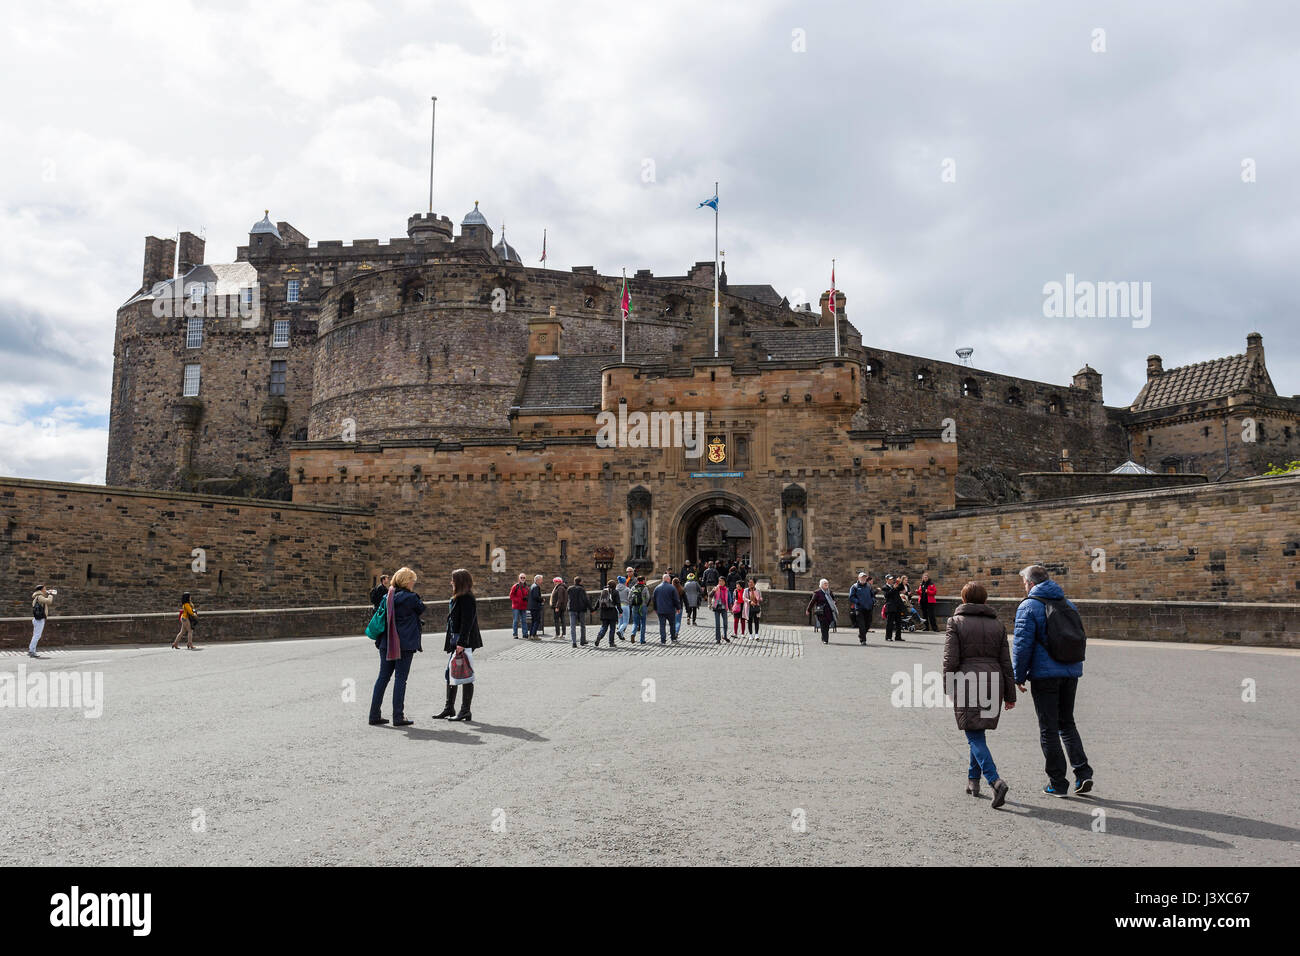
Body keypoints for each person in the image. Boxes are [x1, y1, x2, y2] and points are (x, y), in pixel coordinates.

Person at [1014, 565, 1094, 798]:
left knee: (1048, 728)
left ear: (1030, 583)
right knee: (1067, 723)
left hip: (1045, 674)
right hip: (1070, 671)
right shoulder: (1068, 603)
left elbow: (1022, 645)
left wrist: (1018, 676)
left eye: (1024, 583)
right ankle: (1083, 772)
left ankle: (1058, 782)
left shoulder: (1028, 605)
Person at [943, 581, 1016, 809]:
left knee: (973, 734)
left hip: (967, 681)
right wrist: (1010, 694)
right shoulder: (997, 625)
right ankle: (973, 781)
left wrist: (948, 686)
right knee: (977, 732)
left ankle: (994, 781)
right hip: (994, 681)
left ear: (963, 600)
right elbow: (1006, 662)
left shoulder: (955, 622)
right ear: (985, 600)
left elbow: (950, 660)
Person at [369, 566, 424, 727]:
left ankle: (374, 714)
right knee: (401, 678)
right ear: (406, 581)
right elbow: (421, 609)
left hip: (386, 642)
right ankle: (398, 716)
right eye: (412, 581)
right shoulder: (411, 598)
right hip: (405, 643)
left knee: (383, 677)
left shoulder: (388, 596)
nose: (414, 583)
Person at [434, 568, 483, 722]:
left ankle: (465, 710)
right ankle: (450, 708)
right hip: (457, 640)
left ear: (459, 581)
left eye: (453, 579)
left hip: (464, 641)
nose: (451, 582)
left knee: (464, 672)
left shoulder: (467, 597)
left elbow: (468, 621)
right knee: (452, 672)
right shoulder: (458, 597)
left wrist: (462, 642)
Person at [653, 572, 681, 644]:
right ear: (668, 579)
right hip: (670, 610)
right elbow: (676, 599)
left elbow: (654, 599)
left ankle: (663, 640)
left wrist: (655, 609)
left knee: (662, 625)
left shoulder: (657, 588)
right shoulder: (672, 588)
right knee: (672, 624)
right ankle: (673, 638)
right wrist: (678, 608)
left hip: (660, 610)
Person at [806, 579, 835, 644]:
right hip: (821, 612)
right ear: (821, 585)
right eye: (825, 584)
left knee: (827, 626)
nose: (826, 585)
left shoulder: (830, 592)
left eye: (827, 584)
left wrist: (834, 603)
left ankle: (823, 637)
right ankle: (825, 639)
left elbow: (833, 600)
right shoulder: (817, 592)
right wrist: (808, 610)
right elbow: (812, 602)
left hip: (829, 612)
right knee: (823, 625)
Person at [848, 572, 875, 644]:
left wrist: (873, 601)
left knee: (868, 624)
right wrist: (858, 601)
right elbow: (851, 597)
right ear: (859, 578)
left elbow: (872, 595)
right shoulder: (854, 586)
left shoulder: (869, 586)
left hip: (868, 608)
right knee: (862, 625)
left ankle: (861, 635)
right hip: (859, 608)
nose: (863, 579)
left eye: (864, 577)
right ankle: (863, 640)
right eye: (862, 577)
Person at [29, 584, 55, 658]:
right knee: (37, 636)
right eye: (44, 589)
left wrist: (47, 593)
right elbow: (49, 601)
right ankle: (32, 651)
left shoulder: (37, 597)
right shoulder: (39, 597)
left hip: (36, 619)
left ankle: (31, 650)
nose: (45, 590)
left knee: (35, 635)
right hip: (39, 619)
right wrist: (50, 595)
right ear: (40, 590)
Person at [594, 579, 622, 647]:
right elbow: (618, 603)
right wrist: (620, 611)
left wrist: (594, 609)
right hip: (612, 612)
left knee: (604, 627)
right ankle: (611, 643)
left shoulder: (603, 591)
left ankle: (599, 636)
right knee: (612, 628)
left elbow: (598, 601)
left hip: (603, 612)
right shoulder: (615, 592)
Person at [566, 576, 590, 647]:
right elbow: (586, 600)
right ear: (580, 582)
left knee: (572, 626)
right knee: (582, 625)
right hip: (581, 609)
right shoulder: (581, 589)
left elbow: (567, 598)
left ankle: (574, 642)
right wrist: (591, 609)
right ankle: (582, 641)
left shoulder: (569, 589)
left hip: (572, 609)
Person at [882, 574, 906, 642]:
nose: (892, 580)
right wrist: (893, 588)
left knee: (899, 623)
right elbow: (887, 595)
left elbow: (901, 588)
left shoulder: (895, 585)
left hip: (897, 606)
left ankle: (898, 637)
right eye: (890, 579)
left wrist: (900, 582)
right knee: (890, 623)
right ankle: (888, 637)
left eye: (892, 579)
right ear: (886, 580)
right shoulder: (885, 587)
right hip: (890, 607)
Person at [628, 575, 649, 643]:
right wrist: (645, 603)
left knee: (635, 622)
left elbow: (629, 597)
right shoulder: (645, 588)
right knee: (643, 623)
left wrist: (632, 603)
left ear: (637, 581)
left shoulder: (633, 587)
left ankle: (633, 633)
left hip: (635, 606)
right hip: (642, 607)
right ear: (643, 580)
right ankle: (642, 640)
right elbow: (648, 597)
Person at [508, 573, 529, 639]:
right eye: (521, 578)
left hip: (523, 606)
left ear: (525, 579)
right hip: (516, 606)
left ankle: (525, 634)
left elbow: (528, 596)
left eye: (524, 578)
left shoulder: (527, 587)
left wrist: (526, 598)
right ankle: (515, 634)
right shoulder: (515, 586)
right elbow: (511, 596)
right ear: (519, 578)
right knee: (516, 620)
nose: (522, 579)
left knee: (524, 620)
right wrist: (518, 600)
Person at [527, 574, 545, 638]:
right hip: (535, 607)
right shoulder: (536, 587)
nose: (542, 581)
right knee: (537, 620)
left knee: (534, 621)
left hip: (532, 606)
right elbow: (536, 597)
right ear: (538, 580)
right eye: (541, 580)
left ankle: (531, 634)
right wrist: (542, 599)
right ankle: (533, 635)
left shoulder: (532, 586)